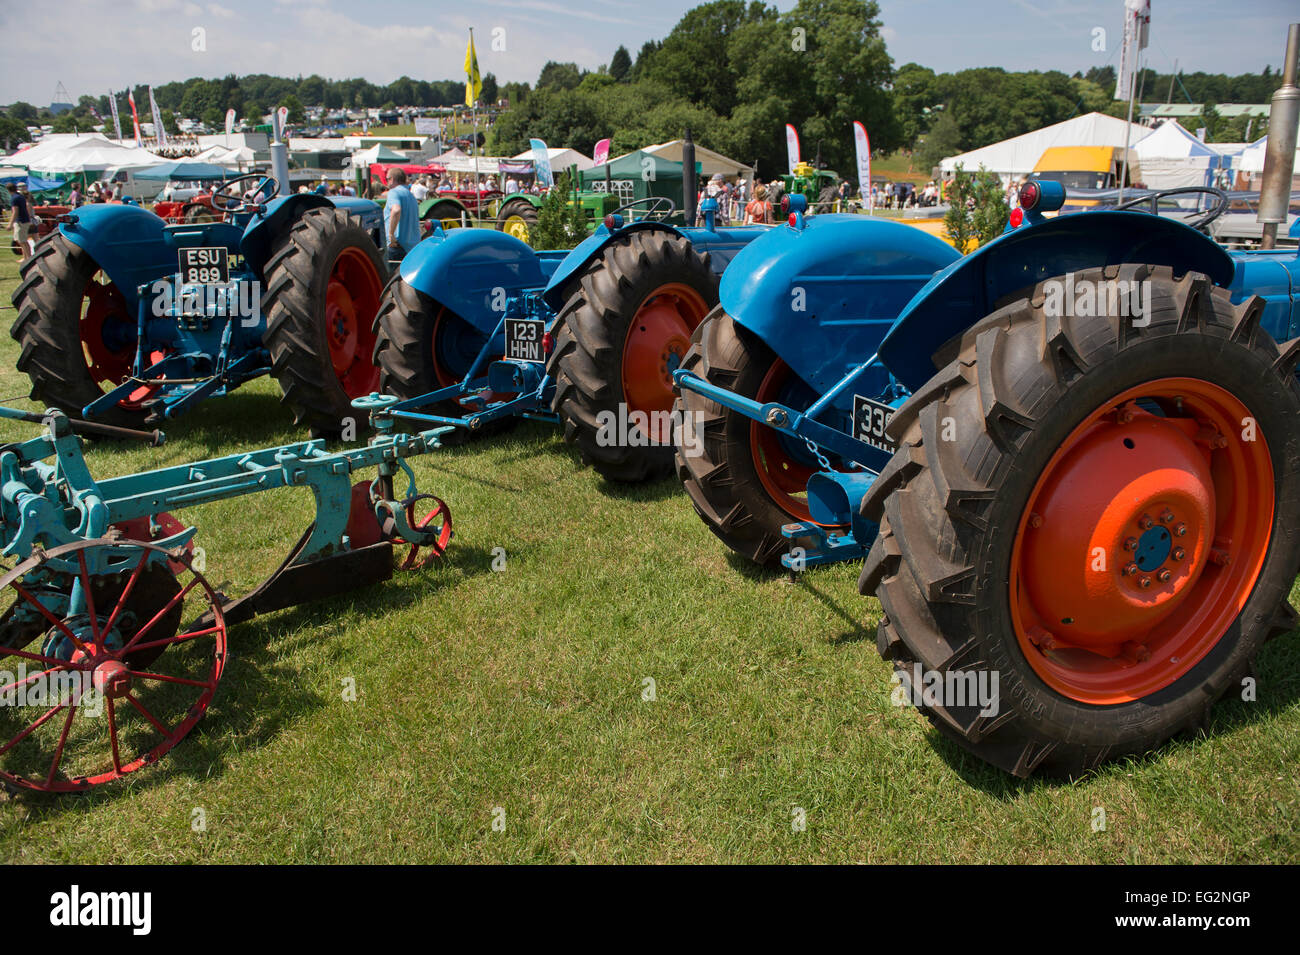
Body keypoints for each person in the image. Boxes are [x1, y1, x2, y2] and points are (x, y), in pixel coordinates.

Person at [383, 167, 420, 269]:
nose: (386, 182)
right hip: (411, 247)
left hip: (397, 246)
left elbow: (396, 210)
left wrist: (391, 234)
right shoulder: (411, 195)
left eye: (387, 179)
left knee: (389, 281)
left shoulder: (394, 192)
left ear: (392, 179)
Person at [8, 184, 33, 261]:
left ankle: (28, 258)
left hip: (20, 221)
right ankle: (26, 258)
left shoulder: (14, 198)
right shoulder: (20, 196)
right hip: (25, 220)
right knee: (22, 241)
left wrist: (10, 224)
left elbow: (15, 212)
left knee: (22, 241)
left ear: (8, 190)